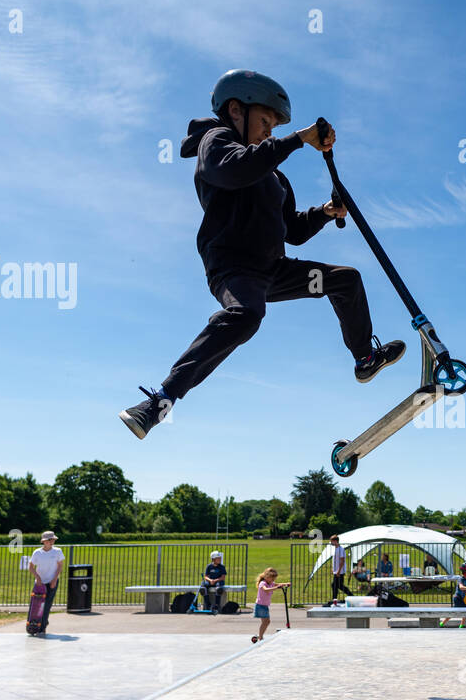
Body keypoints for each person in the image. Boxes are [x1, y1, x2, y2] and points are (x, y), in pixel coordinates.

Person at [119, 69, 405, 439]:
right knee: (247, 314)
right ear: (236, 110)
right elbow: (236, 170)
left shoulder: (275, 178)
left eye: (274, 126)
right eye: (266, 122)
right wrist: (299, 138)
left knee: (345, 279)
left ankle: (365, 359)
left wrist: (325, 212)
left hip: (274, 270)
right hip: (234, 269)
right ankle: (159, 401)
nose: (270, 131)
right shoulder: (215, 142)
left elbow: (295, 232)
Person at [28, 531, 66, 632]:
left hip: (52, 581)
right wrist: (38, 578)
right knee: (37, 605)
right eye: (50, 539)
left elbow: (60, 566)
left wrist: (54, 579)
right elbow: (31, 567)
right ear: (44, 541)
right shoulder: (37, 552)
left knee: (47, 605)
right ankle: (35, 623)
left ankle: (42, 626)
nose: (52, 541)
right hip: (40, 583)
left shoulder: (58, 551)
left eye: (53, 539)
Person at [252, 568, 289, 642]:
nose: (273, 581)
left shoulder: (270, 583)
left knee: (266, 622)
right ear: (266, 577)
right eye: (272, 579)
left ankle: (260, 636)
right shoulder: (263, 583)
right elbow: (265, 589)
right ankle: (261, 637)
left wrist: (285, 584)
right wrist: (276, 588)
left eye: (274, 579)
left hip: (264, 606)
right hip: (260, 605)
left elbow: (277, 584)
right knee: (266, 622)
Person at [328, 535, 351, 601]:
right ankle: (335, 599)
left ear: (335, 541)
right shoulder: (336, 548)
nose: (331, 543)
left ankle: (335, 599)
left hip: (340, 571)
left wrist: (338, 571)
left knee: (336, 585)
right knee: (337, 585)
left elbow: (342, 560)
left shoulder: (341, 549)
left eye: (331, 541)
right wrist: (333, 569)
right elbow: (335, 560)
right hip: (337, 571)